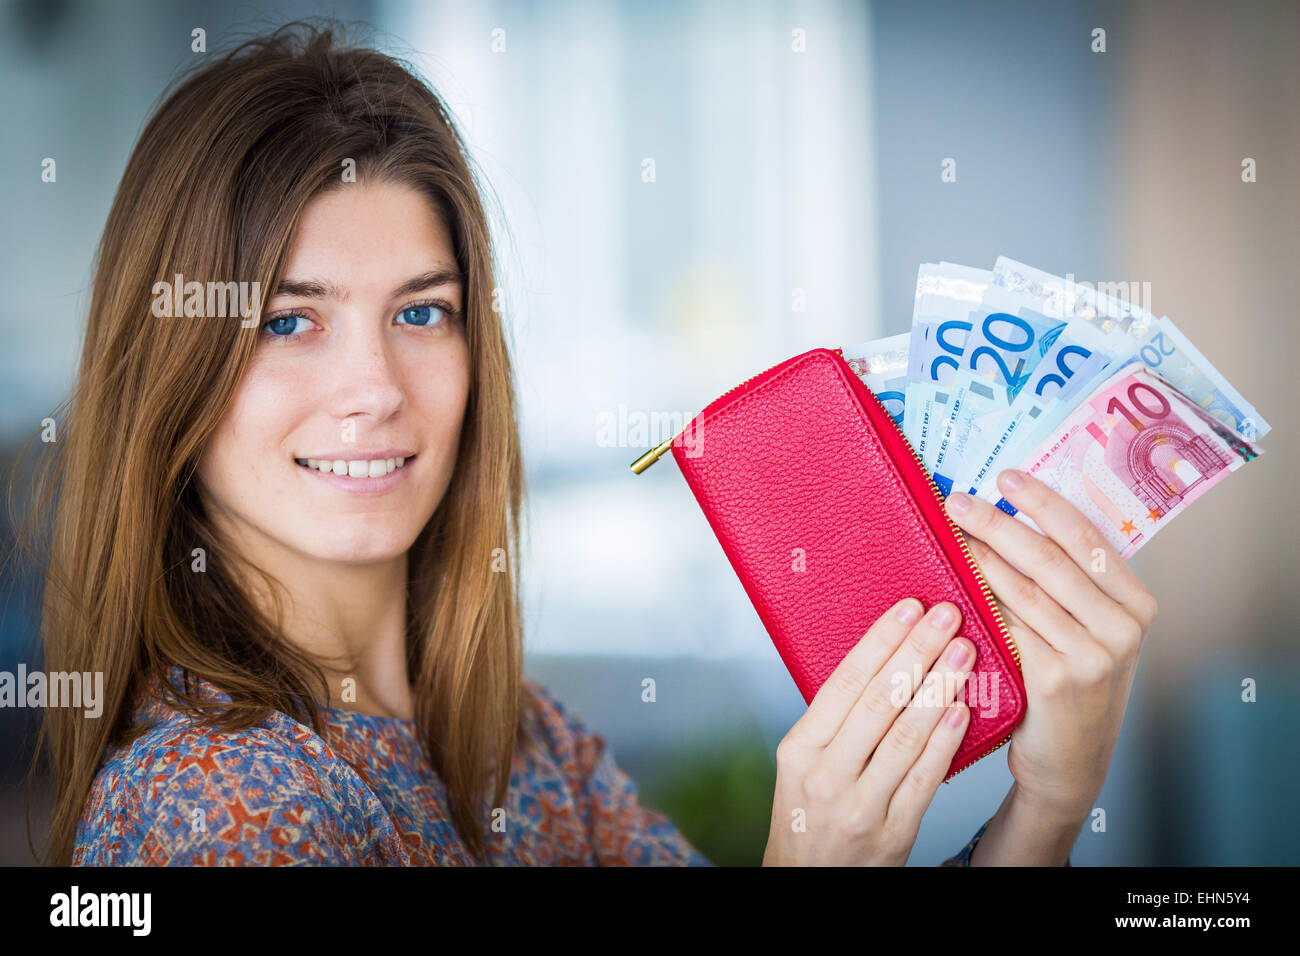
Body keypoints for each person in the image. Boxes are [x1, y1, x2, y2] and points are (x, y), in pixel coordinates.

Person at [29, 22, 1156, 867]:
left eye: (421, 310)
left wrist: (1048, 801)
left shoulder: (516, 733)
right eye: (289, 320)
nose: (372, 390)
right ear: (168, 366)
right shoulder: (219, 809)